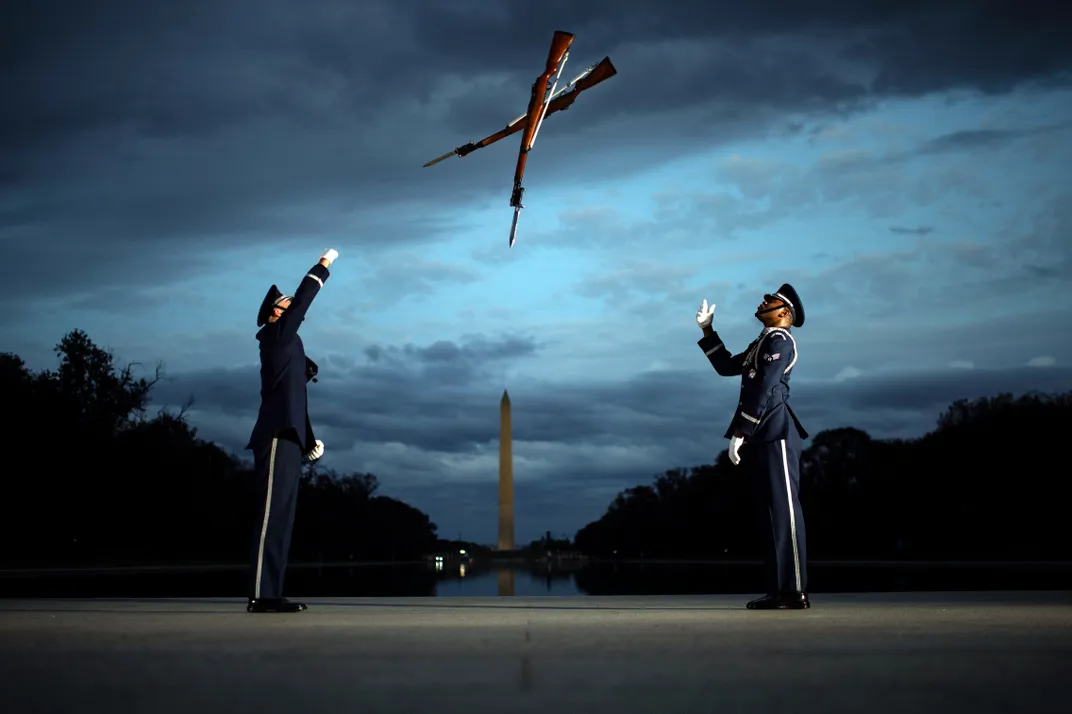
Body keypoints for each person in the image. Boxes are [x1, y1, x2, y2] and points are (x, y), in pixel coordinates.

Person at [695, 284, 811, 610]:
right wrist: (707, 330)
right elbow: (727, 367)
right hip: (765, 434)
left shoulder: (780, 341)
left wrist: (741, 430)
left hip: (777, 432)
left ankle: (794, 591)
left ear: (785, 312)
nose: (763, 302)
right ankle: (779, 591)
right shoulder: (763, 342)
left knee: (786, 513)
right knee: (772, 515)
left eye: (771, 300)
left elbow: (765, 387)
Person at [245, 248, 337, 613]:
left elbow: (296, 399)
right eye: (286, 305)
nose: (292, 308)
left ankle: (271, 592)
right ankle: (260, 595)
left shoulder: (290, 345)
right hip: (274, 433)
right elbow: (302, 303)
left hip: (290, 436)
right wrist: (322, 267)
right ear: (274, 314)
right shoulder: (274, 336)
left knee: (282, 515)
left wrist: (310, 439)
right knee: (270, 515)